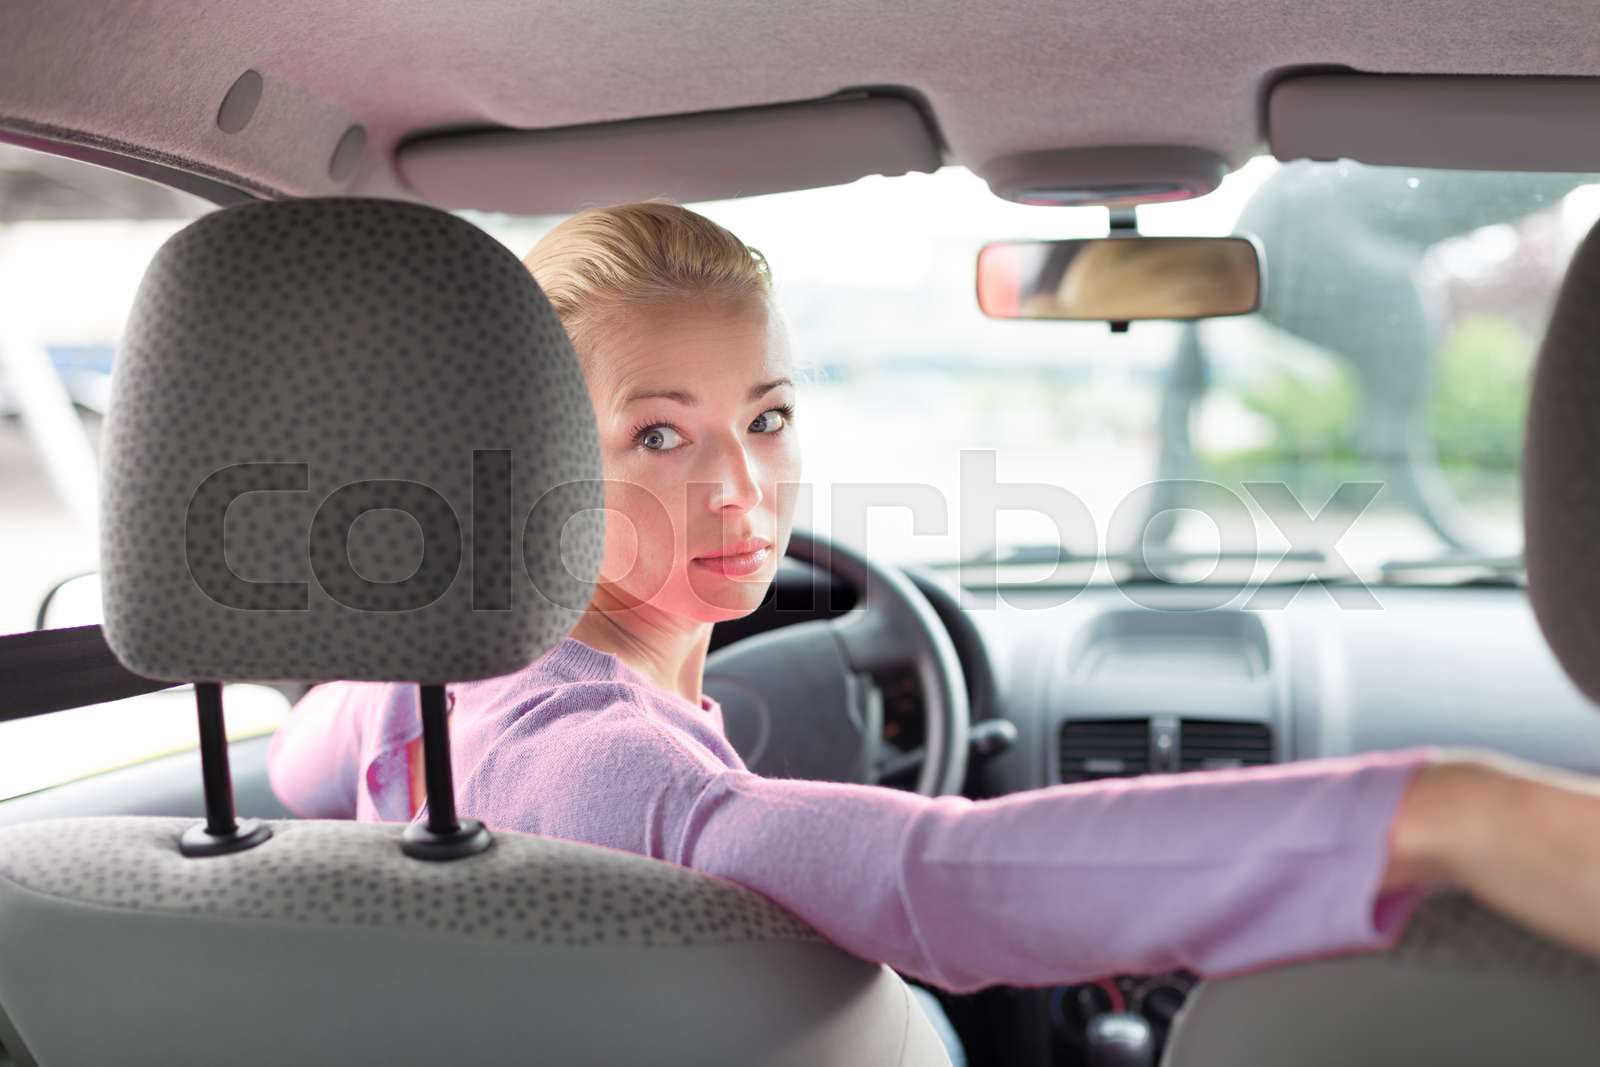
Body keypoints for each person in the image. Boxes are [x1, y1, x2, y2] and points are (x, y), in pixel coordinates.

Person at [268, 202, 1600, 1059]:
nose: (741, 490)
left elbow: (304, 759)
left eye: (768, 418)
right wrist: (1449, 812)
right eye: (659, 435)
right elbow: (937, 883)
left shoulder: (410, 696)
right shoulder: (598, 760)